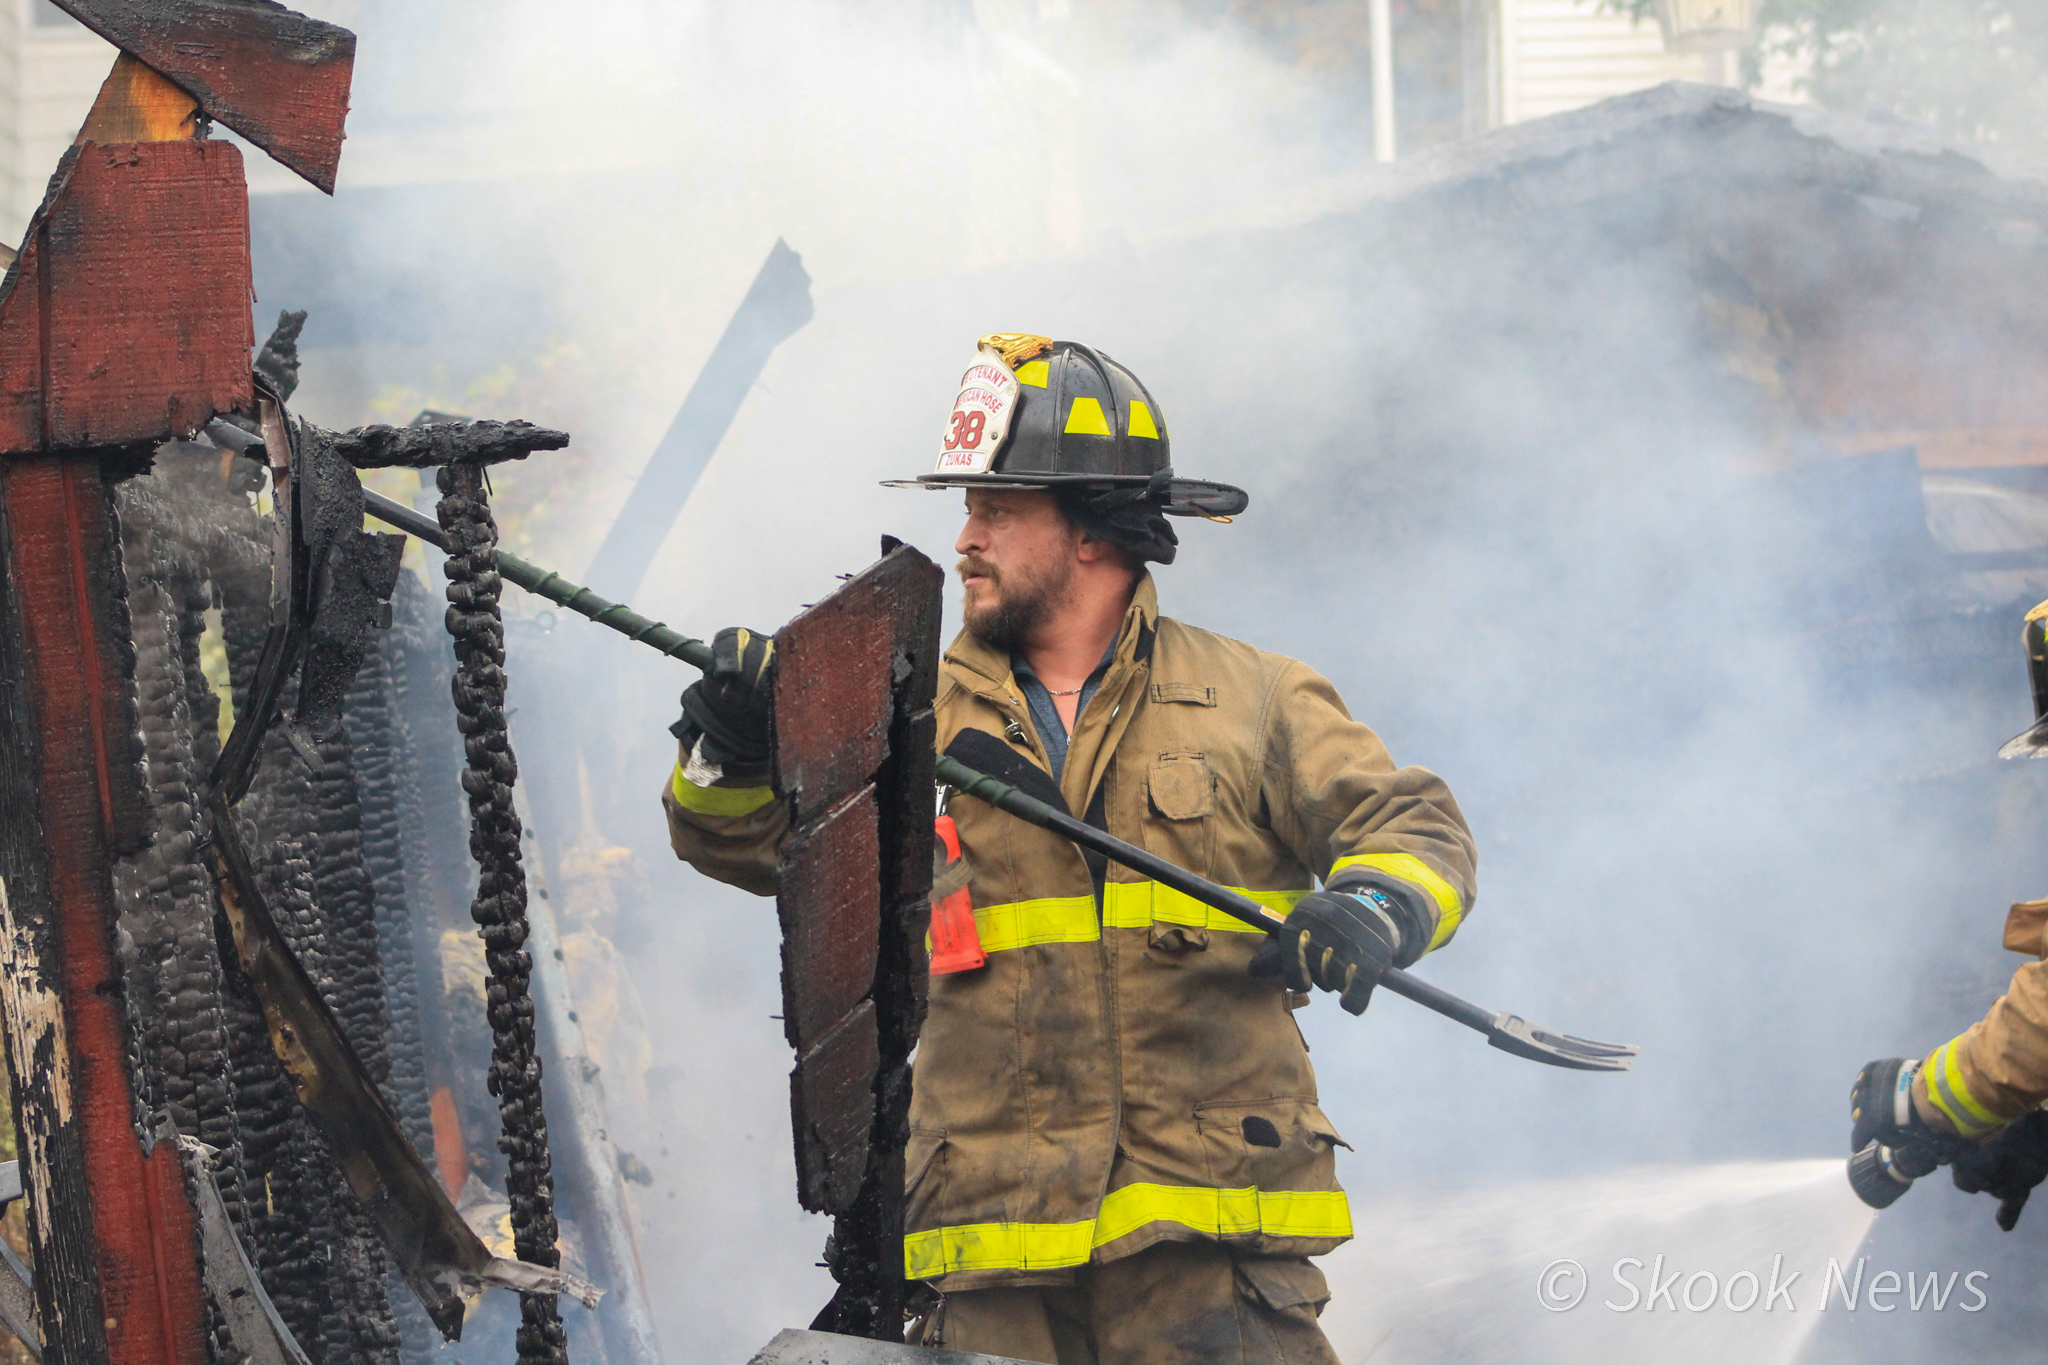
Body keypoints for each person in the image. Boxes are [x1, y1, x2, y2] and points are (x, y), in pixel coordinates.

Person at [663, 334, 1478, 1365]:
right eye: (965, 509)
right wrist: (733, 750)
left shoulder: (1254, 697)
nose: (964, 538)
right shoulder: (895, 718)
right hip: (989, 1248)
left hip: (1209, 1237)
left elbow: (1414, 828)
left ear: (1090, 529)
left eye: (996, 510)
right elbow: (754, 852)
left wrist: (1371, 907)